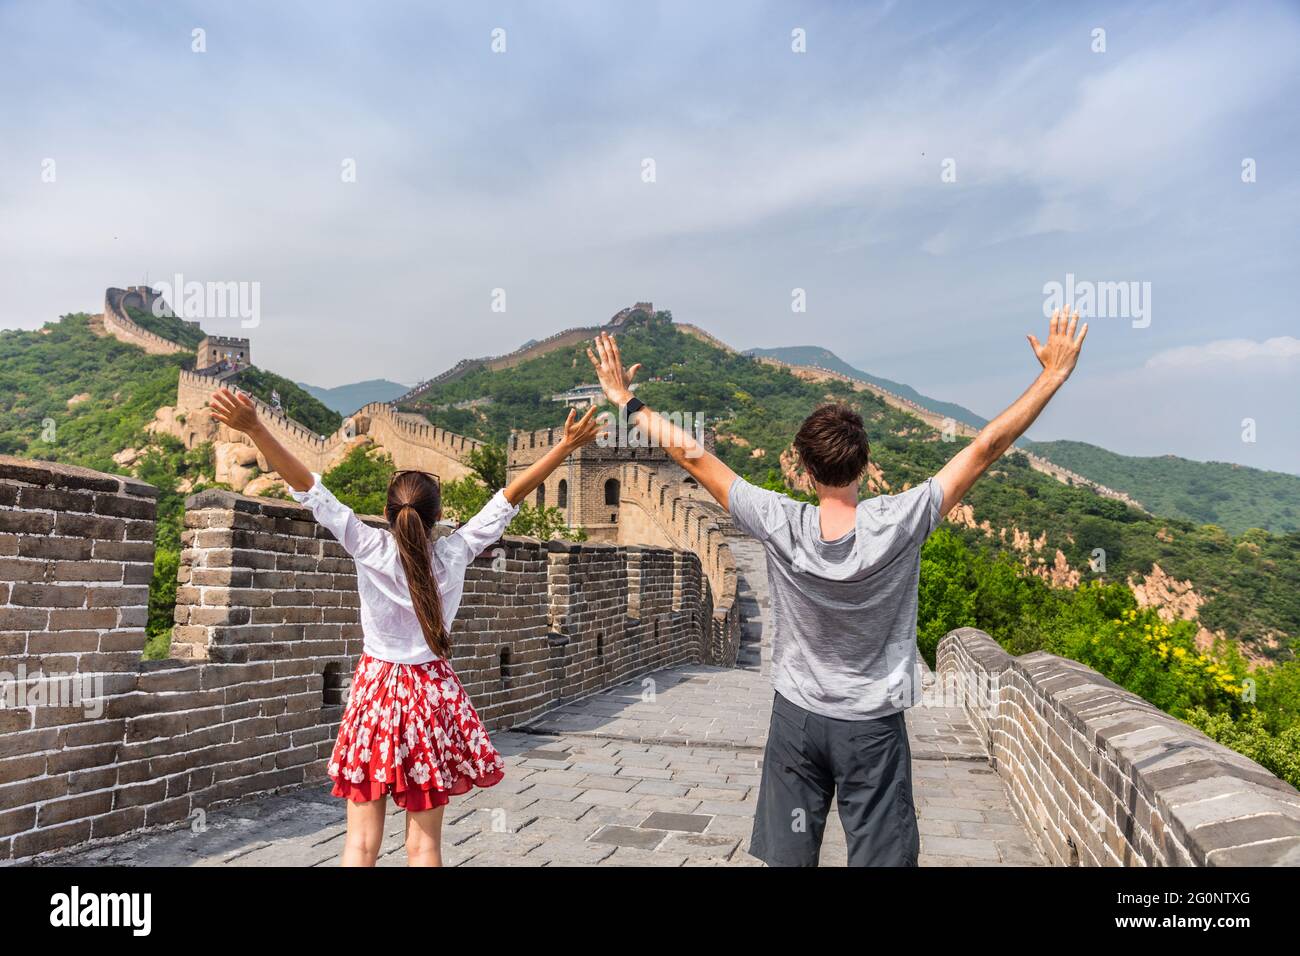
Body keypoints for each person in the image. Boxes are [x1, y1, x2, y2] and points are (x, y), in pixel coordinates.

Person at [585, 308, 1087, 866]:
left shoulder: (778, 519)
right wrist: (1051, 377)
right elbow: (984, 449)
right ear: (866, 466)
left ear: (802, 469)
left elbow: (692, 455)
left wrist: (625, 401)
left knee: (788, 859)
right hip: (871, 727)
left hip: (797, 720)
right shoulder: (900, 522)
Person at [208, 387, 605, 866]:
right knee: (425, 845)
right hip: (431, 694)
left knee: (358, 844)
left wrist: (254, 428)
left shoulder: (368, 546)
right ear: (437, 517)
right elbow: (508, 499)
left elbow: (310, 489)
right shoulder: (455, 554)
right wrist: (565, 447)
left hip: (375, 693)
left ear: (390, 515)